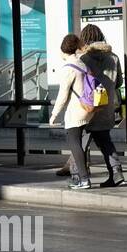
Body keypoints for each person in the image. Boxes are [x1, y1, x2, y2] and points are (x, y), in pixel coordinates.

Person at [79, 24, 126, 187]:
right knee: (105, 141)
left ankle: (77, 175)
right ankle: (116, 171)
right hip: (106, 106)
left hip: (88, 106)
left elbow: (79, 83)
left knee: (80, 141)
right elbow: (119, 82)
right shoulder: (113, 57)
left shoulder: (83, 58)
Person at [49, 34, 93, 190]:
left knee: (74, 144)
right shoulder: (81, 63)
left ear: (63, 49)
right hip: (87, 109)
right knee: (79, 144)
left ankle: (84, 179)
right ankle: (82, 177)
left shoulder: (68, 68)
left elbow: (63, 95)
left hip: (75, 112)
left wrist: (54, 114)